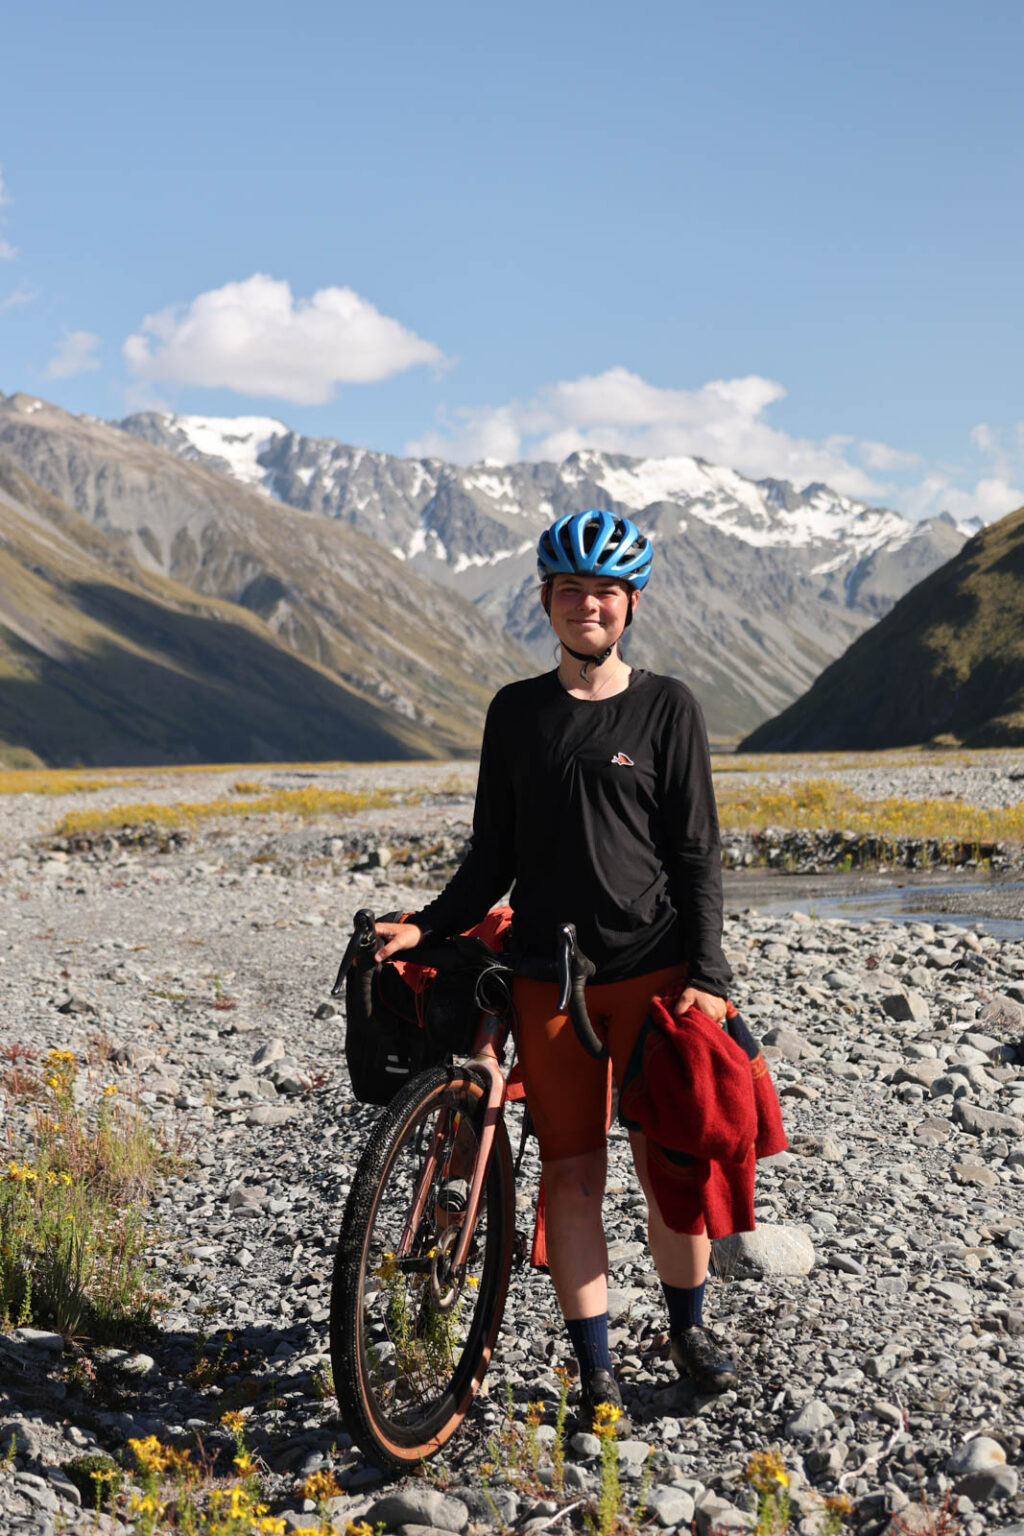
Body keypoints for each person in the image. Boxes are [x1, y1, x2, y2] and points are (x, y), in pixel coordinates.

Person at [372, 508, 736, 1423]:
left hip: (653, 976)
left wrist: (711, 975)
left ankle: (687, 1327)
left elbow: (696, 853)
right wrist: (428, 924)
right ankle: (597, 1367)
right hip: (547, 975)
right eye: (570, 590)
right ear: (546, 601)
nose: (588, 606)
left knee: (667, 1168)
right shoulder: (516, 712)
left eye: (605, 592)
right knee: (571, 1173)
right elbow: (492, 853)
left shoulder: (667, 707)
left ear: (631, 604)